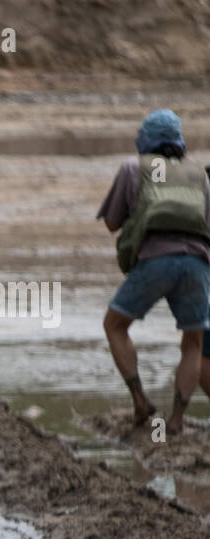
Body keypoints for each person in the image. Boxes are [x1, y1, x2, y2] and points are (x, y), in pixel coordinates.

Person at [98, 109, 210, 435]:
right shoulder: (200, 174)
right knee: (193, 343)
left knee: (115, 325)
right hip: (197, 264)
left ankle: (140, 401)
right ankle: (175, 420)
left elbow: (112, 223)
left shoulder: (134, 168)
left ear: (144, 140)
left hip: (155, 261)